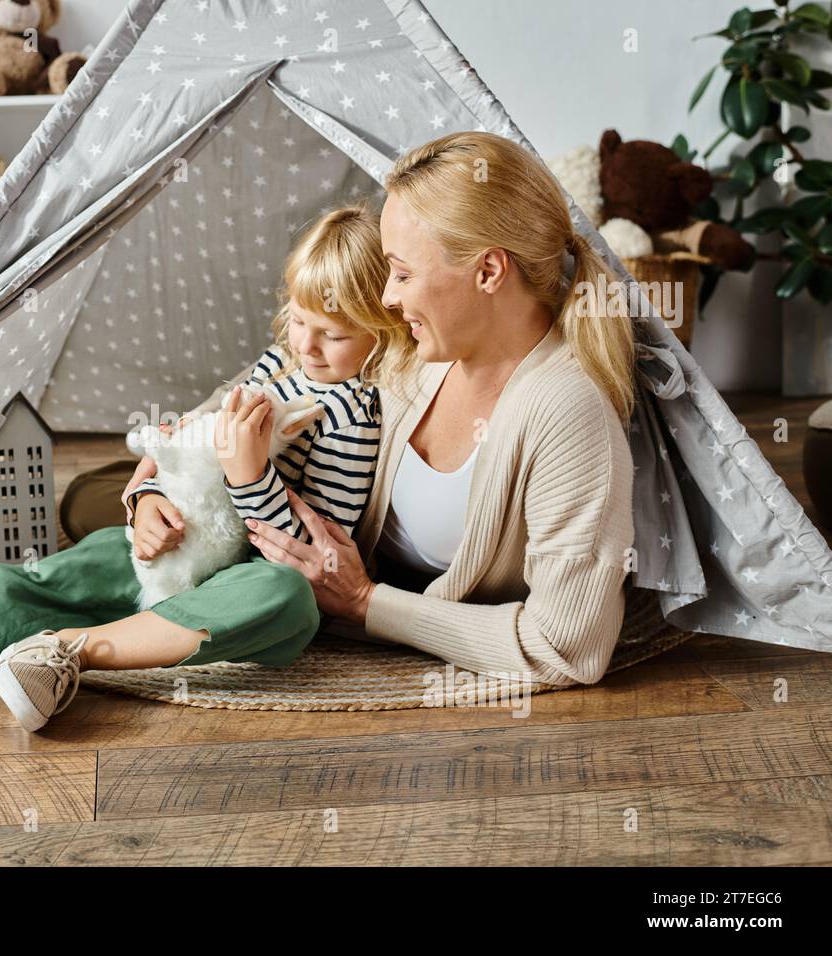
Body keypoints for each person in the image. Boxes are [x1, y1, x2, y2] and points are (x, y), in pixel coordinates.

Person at [0, 204, 403, 731]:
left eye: (335, 334)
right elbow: (187, 448)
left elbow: (310, 556)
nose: (306, 344)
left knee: (284, 601)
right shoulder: (280, 365)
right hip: (190, 545)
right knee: (78, 561)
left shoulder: (354, 413)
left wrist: (247, 474)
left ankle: (67, 653)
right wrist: (147, 501)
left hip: (252, 580)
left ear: (381, 329)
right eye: (297, 320)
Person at [225, 131, 639, 689]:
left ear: (489, 271)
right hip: (248, 518)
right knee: (105, 514)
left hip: (292, 584)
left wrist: (367, 603)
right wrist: (149, 485)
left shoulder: (567, 414)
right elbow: (278, 372)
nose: (388, 298)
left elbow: (568, 648)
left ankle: (80, 654)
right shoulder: (417, 348)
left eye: (402, 272)